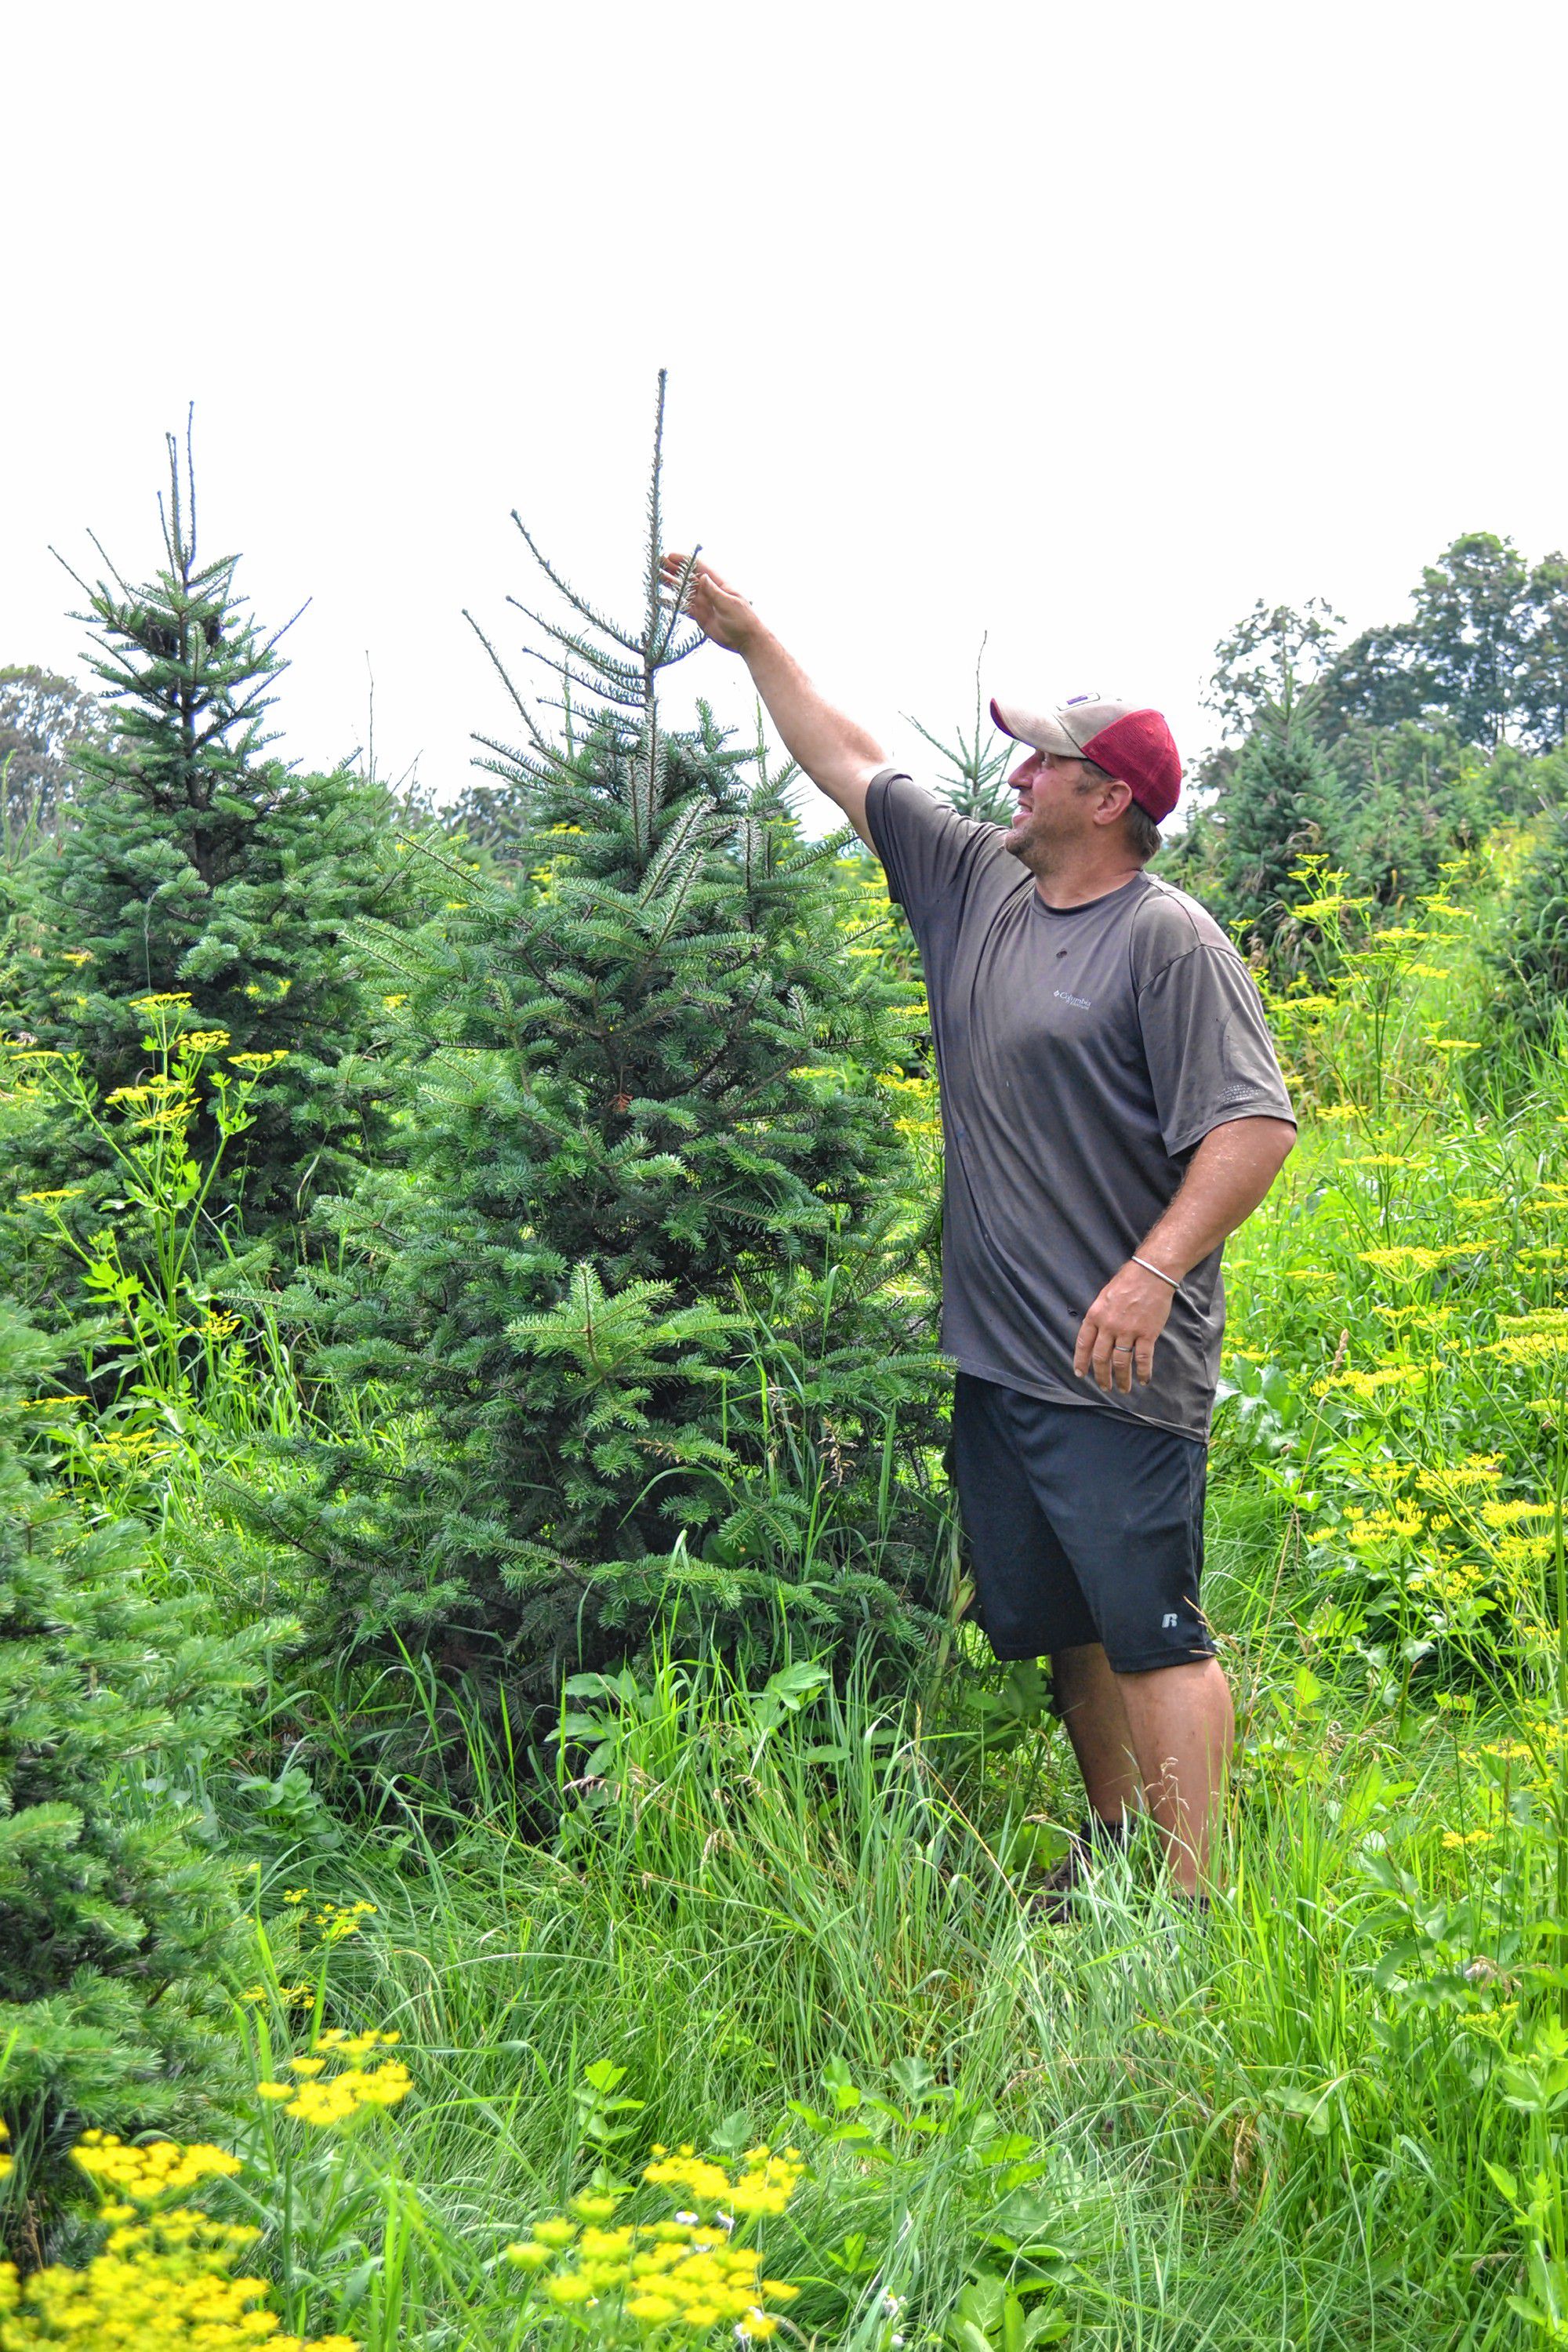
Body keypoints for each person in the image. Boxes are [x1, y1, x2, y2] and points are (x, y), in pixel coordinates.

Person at [660, 552, 1296, 1904]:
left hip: (1120, 1362)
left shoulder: (1169, 941)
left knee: (1154, 1630)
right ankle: (1116, 1847)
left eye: (1041, 766)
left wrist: (1150, 1272)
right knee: (1065, 1629)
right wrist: (754, 635)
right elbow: (848, 759)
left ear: (1111, 797)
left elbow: (1254, 1129)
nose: (1010, 778)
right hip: (1001, 1357)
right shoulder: (975, 890)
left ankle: (1184, 1909)